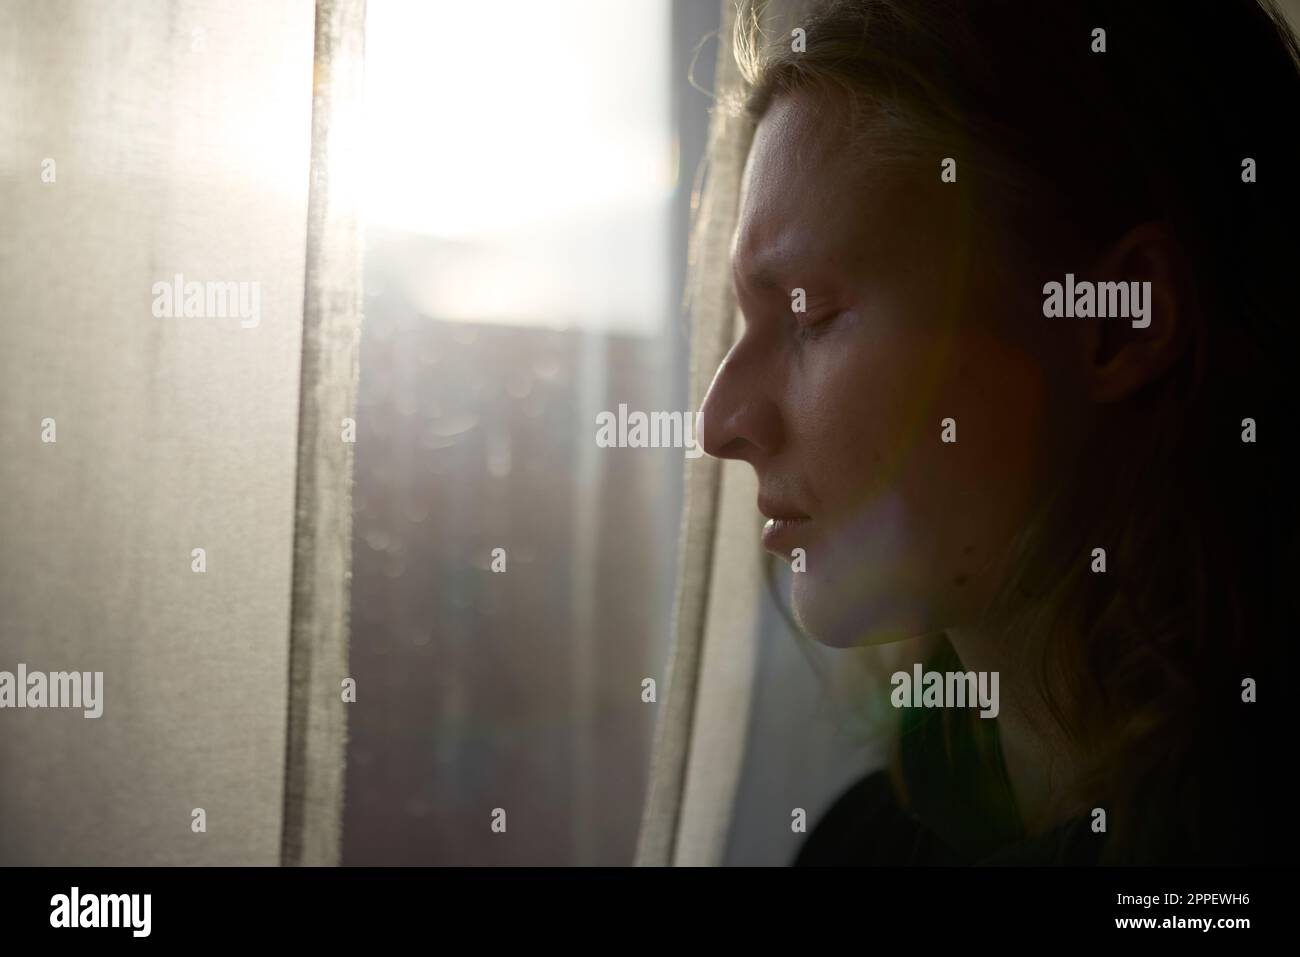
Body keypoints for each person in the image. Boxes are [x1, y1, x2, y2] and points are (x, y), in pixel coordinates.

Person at [697, 0, 1300, 865]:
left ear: (1116, 323)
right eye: (740, 325)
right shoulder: (854, 849)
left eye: (808, 312)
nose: (721, 424)